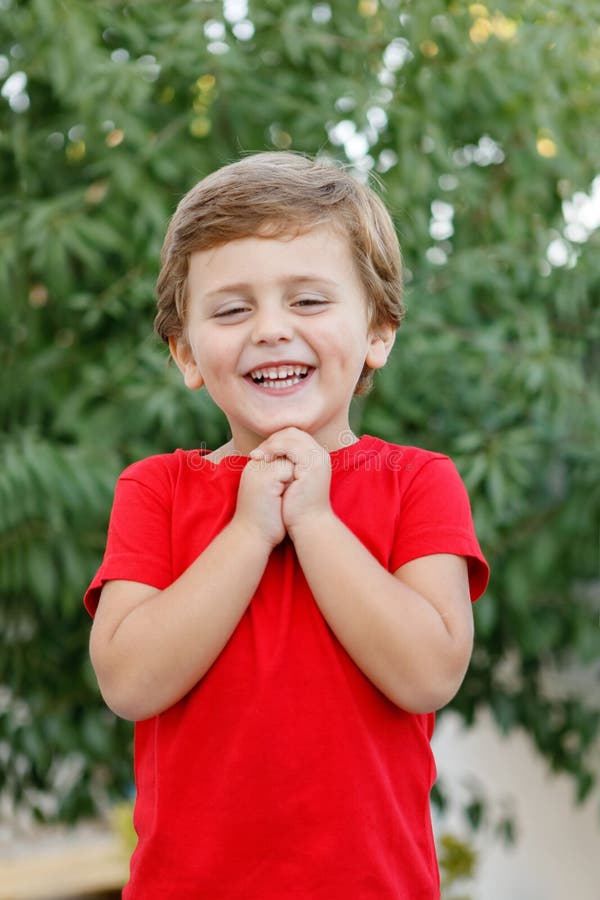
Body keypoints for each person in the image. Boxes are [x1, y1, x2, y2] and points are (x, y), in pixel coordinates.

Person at [85, 151, 489, 899]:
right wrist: (247, 532)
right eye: (233, 309)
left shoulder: (420, 483)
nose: (271, 330)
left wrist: (315, 519)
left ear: (378, 332)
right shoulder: (157, 490)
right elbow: (129, 682)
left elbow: (428, 673)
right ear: (186, 353)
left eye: (307, 302)